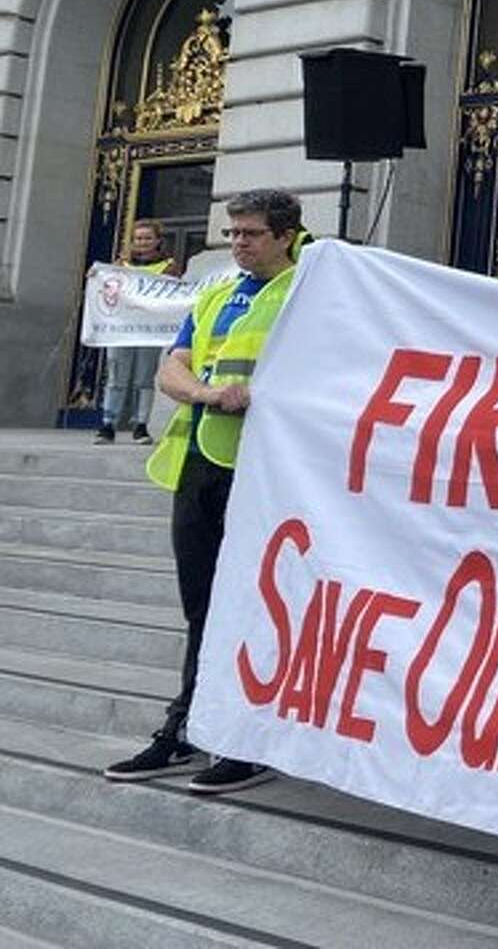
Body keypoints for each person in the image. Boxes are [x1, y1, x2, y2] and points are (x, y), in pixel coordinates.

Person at [102, 189, 308, 795]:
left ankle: (248, 737)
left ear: (286, 235)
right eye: (233, 231)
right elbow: (172, 367)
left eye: (250, 233)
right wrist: (206, 394)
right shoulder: (215, 289)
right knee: (202, 609)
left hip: (267, 475)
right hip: (199, 463)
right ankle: (188, 725)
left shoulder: (305, 294)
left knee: (254, 607)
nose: (237, 242)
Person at [96, 218, 181, 445]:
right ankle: (108, 425)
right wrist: (96, 279)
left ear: (157, 241)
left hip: (149, 330)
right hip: (121, 330)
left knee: (144, 379)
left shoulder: (169, 267)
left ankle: (140, 425)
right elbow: (106, 291)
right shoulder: (119, 266)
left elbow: (175, 296)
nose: (142, 243)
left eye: (147, 238)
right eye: (138, 238)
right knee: (116, 377)